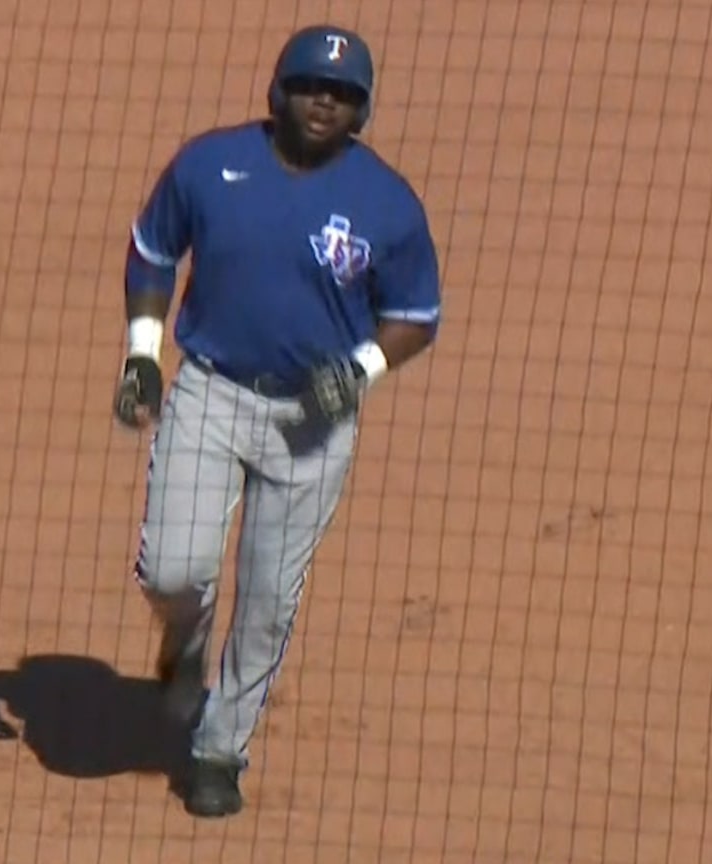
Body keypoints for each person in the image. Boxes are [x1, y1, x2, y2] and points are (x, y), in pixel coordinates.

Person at [111, 23, 444, 818]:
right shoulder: (210, 165)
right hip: (212, 392)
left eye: (342, 94)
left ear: (361, 110)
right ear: (280, 91)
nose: (324, 103)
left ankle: (220, 750)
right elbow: (152, 251)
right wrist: (143, 355)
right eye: (310, 87)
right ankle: (186, 643)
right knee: (171, 571)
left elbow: (416, 315)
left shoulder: (388, 204)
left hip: (313, 417)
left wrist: (359, 372)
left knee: (267, 596)